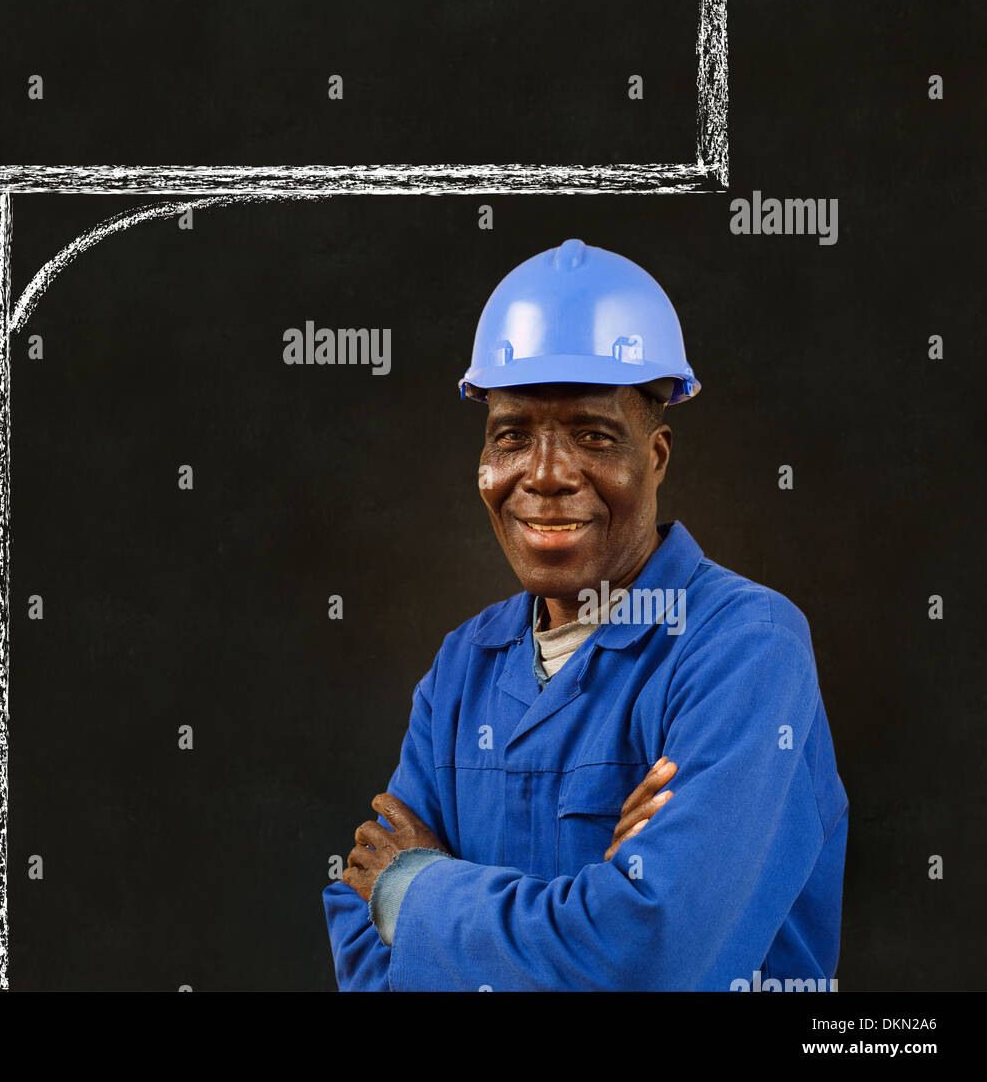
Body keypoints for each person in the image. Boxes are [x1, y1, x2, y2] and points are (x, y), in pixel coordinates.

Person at [321, 239, 848, 991]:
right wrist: (592, 910)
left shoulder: (745, 650)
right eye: (512, 437)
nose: (545, 475)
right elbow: (361, 944)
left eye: (592, 435)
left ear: (656, 456)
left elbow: (656, 957)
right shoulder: (463, 667)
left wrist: (414, 895)